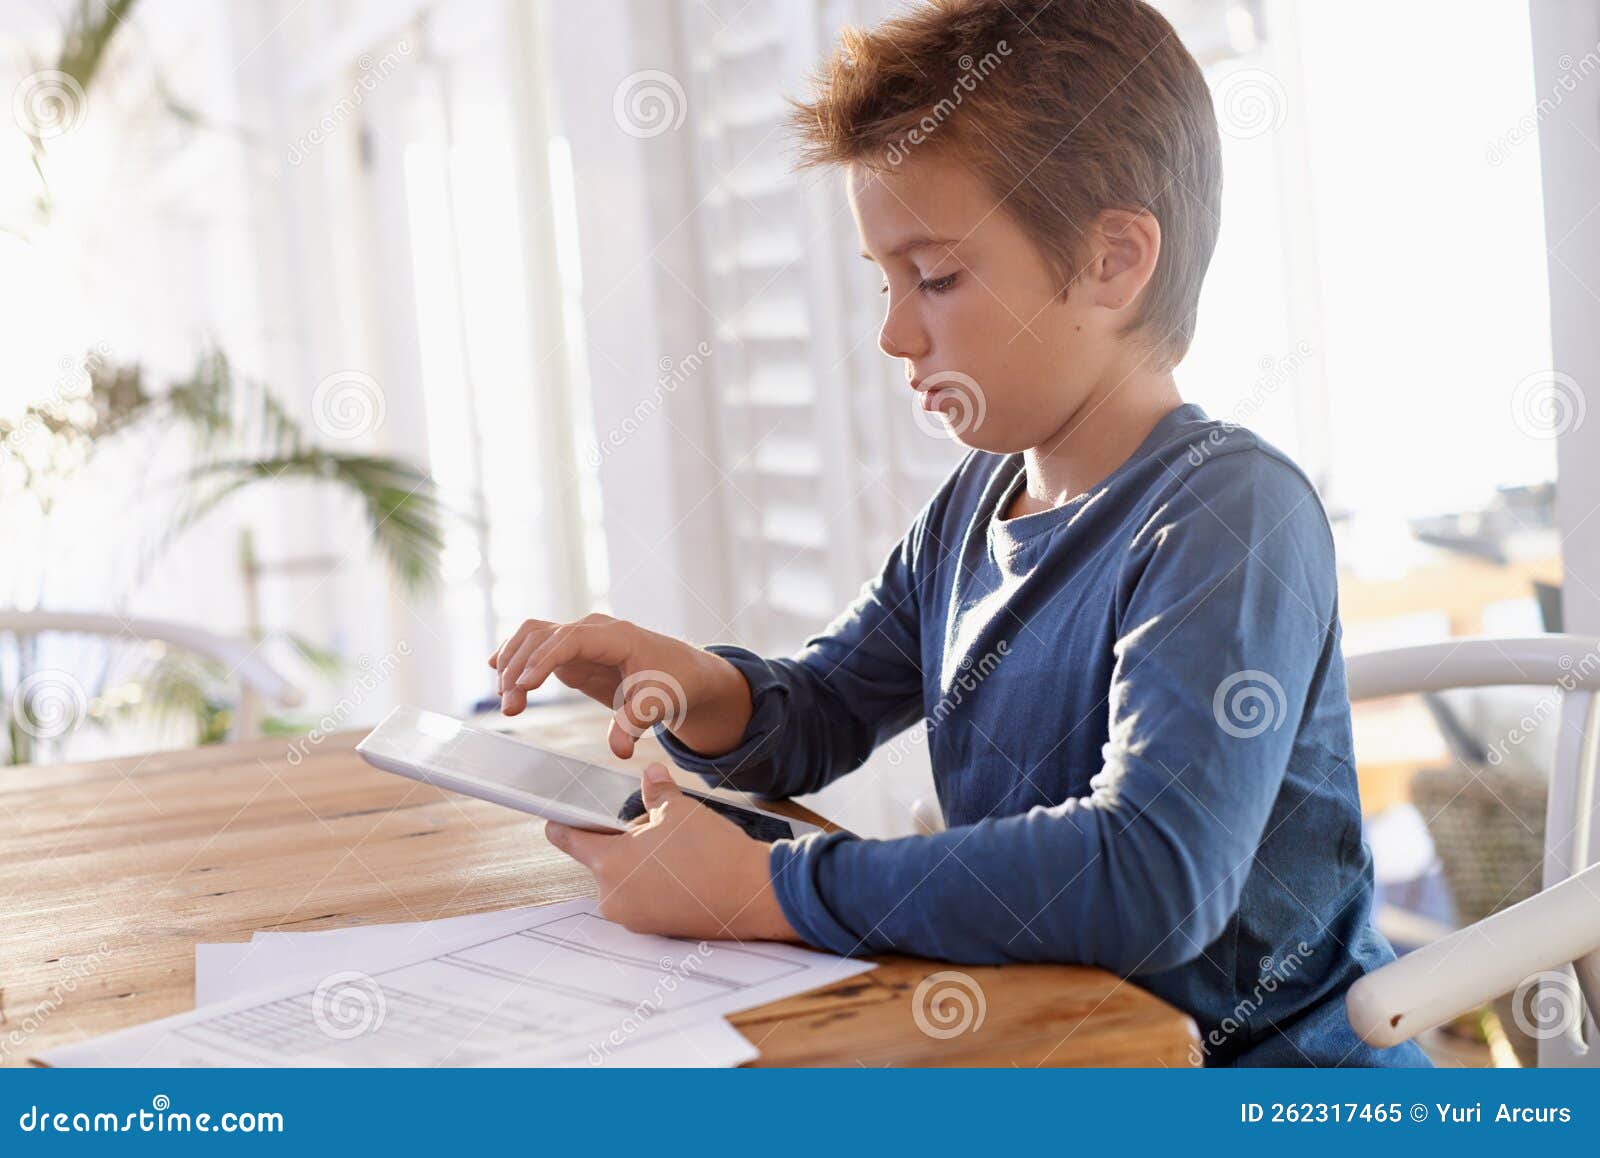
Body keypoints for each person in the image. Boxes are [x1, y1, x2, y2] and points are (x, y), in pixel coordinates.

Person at [492, 0, 1430, 1066]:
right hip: (1042, 1051)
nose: (893, 333)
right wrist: (692, 685)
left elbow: (1153, 880)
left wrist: (762, 889)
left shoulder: (1226, 516)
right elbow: (827, 708)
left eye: (934, 278)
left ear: (1113, 262)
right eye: (883, 282)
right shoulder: (976, 504)